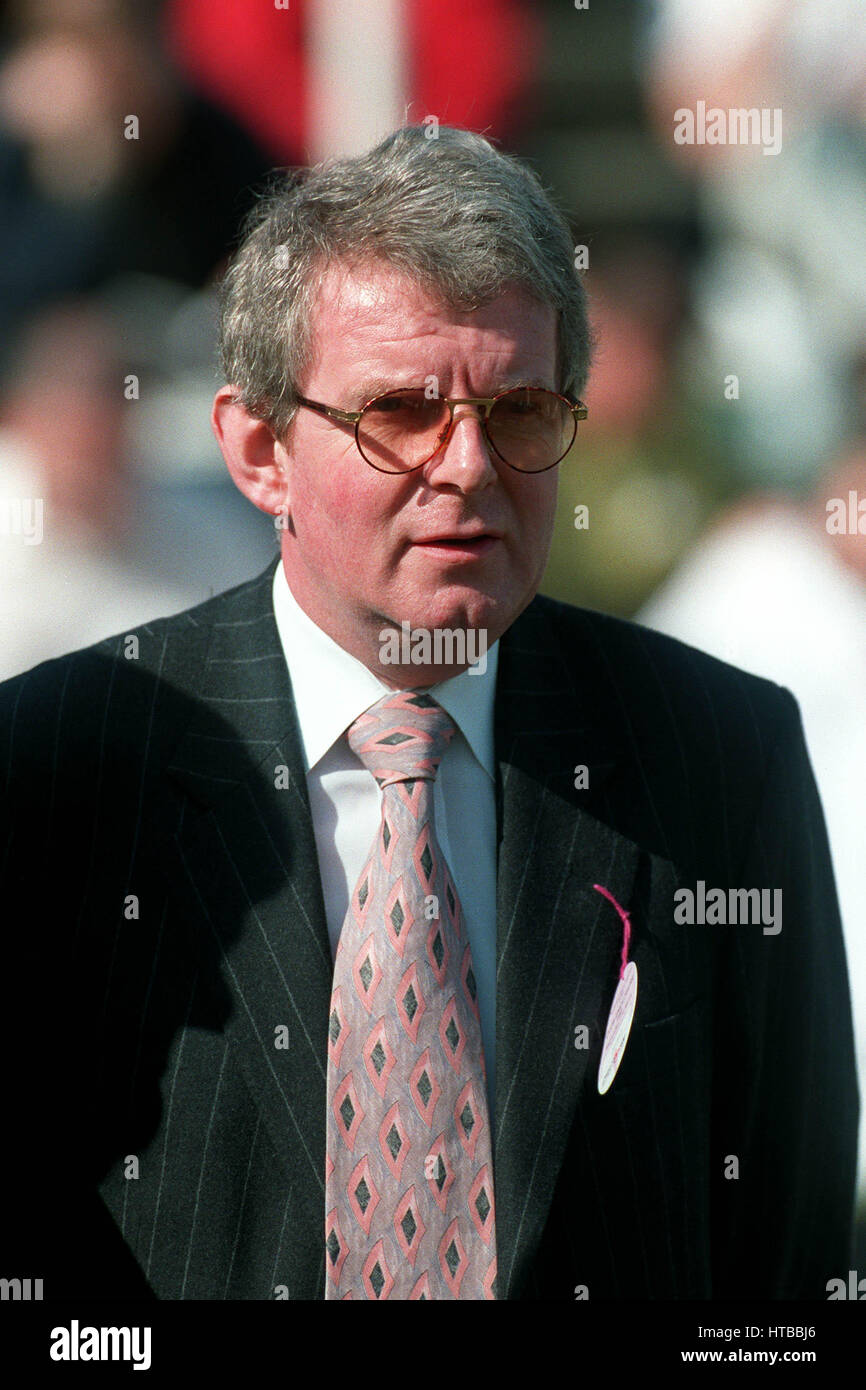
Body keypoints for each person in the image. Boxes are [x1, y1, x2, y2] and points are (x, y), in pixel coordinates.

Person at [0, 126, 857, 1301]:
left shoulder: (717, 754)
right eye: (399, 412)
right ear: (259, 450)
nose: (465, 466)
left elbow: (786, 1250)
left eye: (517, 412)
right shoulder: (55, 768)